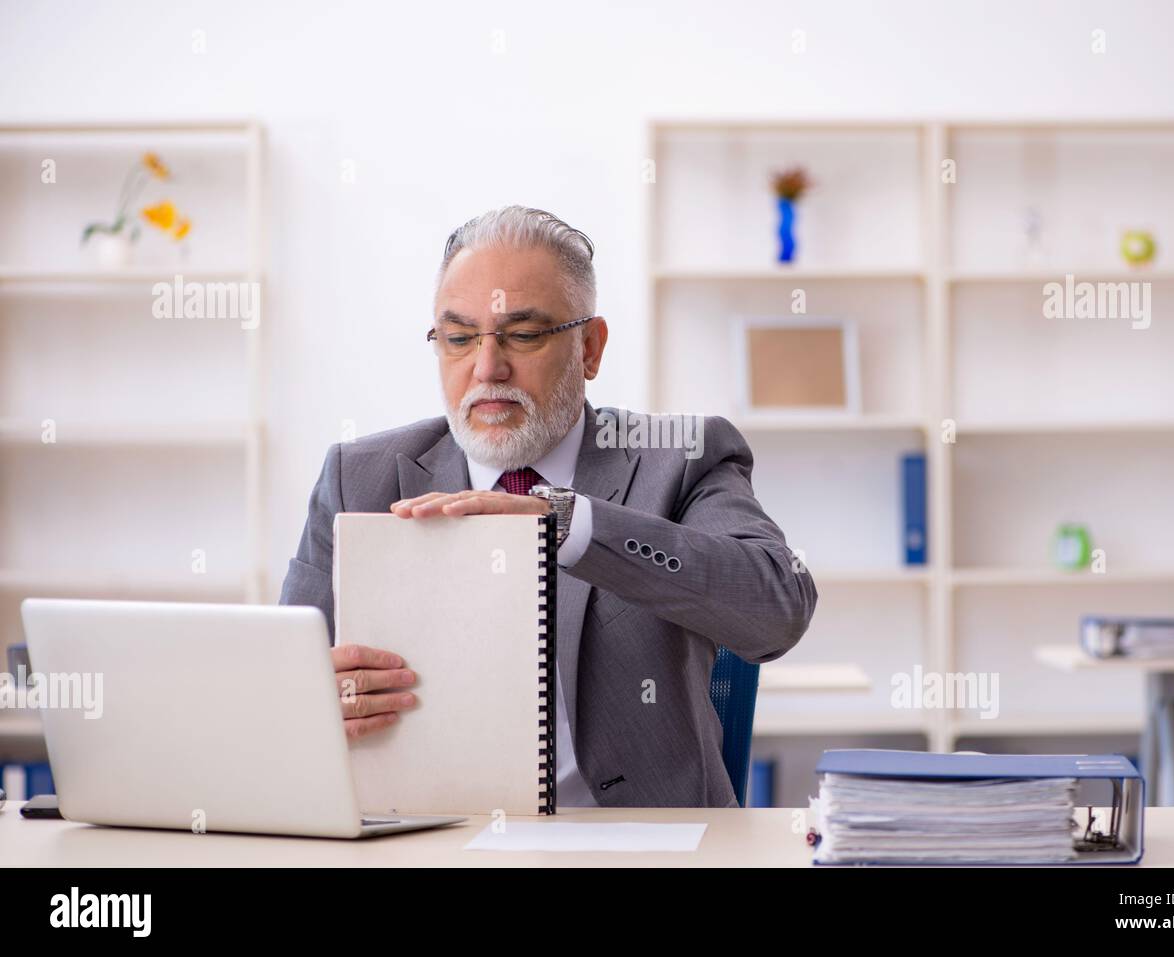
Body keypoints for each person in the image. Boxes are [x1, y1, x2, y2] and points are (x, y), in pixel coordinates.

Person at [280, 205, 817, 807]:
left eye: (524, 335)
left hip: (638, 846)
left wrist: (569, 525)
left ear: (590, 347)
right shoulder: (360, 477)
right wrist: (316, 705)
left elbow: (777, 606)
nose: (487, 367)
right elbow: (285, 693)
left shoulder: (679, 459)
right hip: (424, 838)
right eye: (459, 338)